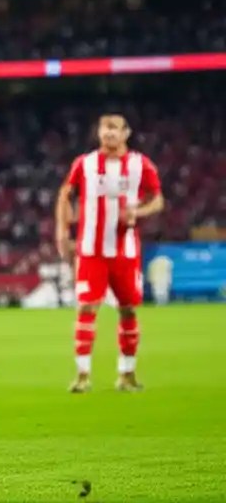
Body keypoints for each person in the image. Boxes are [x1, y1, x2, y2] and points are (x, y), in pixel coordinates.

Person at [55, 113, 164, 393]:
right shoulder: (85, 163)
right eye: (105, 128)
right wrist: (62, 231)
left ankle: (126, 375)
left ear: (126, 133)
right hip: (91, 250)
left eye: (115, 129)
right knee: (87, 307)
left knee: (127, 310)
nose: (109, 133)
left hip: (125, 252)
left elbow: (158, 200)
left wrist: (138, 211)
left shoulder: (141, 165)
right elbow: (66, 194)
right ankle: (82, 374)